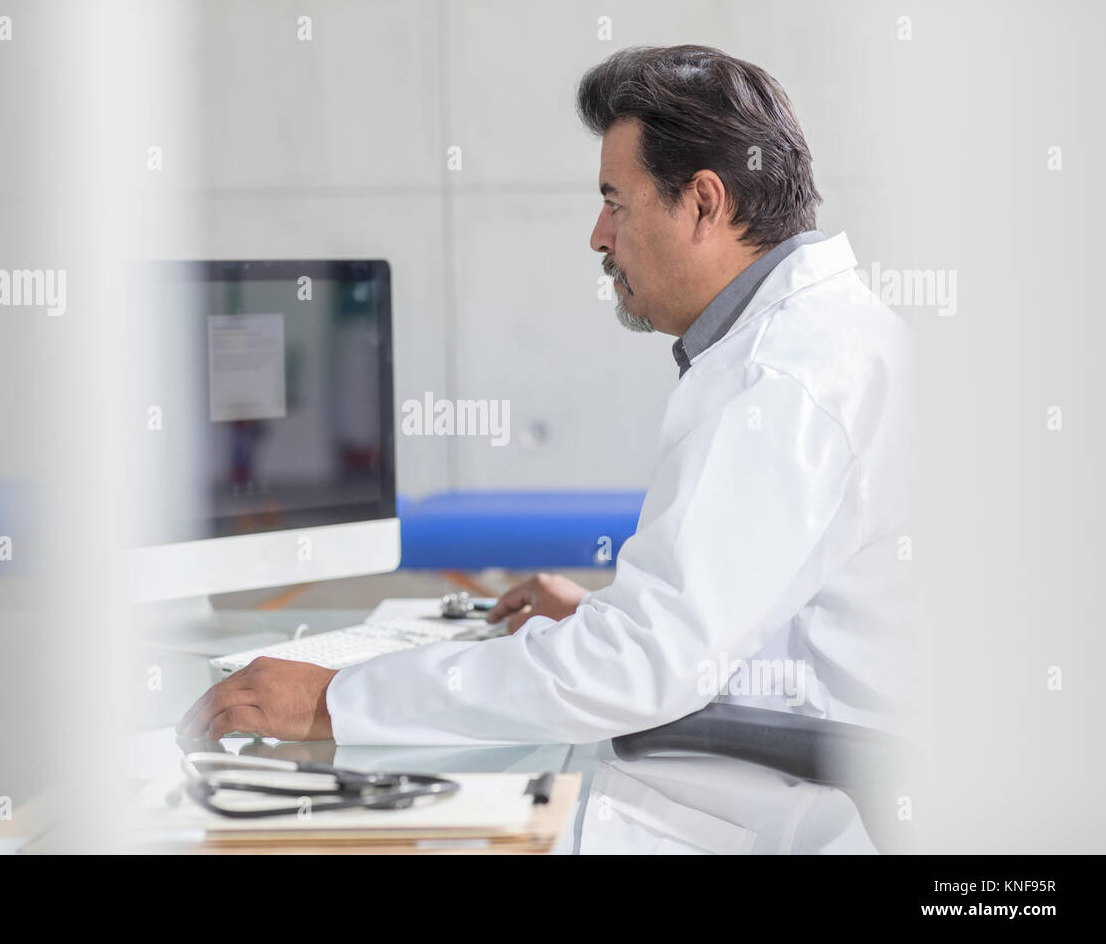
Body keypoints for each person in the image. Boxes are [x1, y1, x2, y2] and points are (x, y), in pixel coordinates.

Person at [177, 45, 911, 746]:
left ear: (703, 204)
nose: (598, 237)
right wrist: (608, 620)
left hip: (796, 810)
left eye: (614, 203)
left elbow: (639, 668)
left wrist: (331, 701)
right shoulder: (813, 340)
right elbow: (728, 624)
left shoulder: (782, 380)